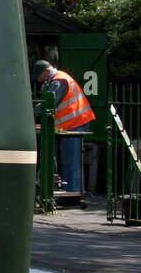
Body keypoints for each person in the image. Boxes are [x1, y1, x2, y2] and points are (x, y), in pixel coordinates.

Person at [33, 59, 96, 193]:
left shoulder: (59, 81)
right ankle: (74, 191)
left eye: (39, 76)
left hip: (75, 123)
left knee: (71, 162)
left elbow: (49, 104)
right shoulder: (60, 79)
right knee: (71, 161)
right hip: (74, 123)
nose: (39, 80)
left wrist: (30, 112)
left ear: (46, 72)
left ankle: (73, 192)